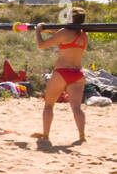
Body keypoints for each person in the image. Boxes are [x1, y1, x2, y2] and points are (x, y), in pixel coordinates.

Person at [34, 9, 89, 144]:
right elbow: (62, 36)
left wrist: (38, 32)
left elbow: (41, 45)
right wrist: (49, 30)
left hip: (62, 73)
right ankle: (82, 135)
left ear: (72, 18)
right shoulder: (84, 35)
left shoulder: (64, 32)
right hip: (77, 74)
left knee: (48, 105)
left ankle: (46, 136)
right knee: (76, 108)